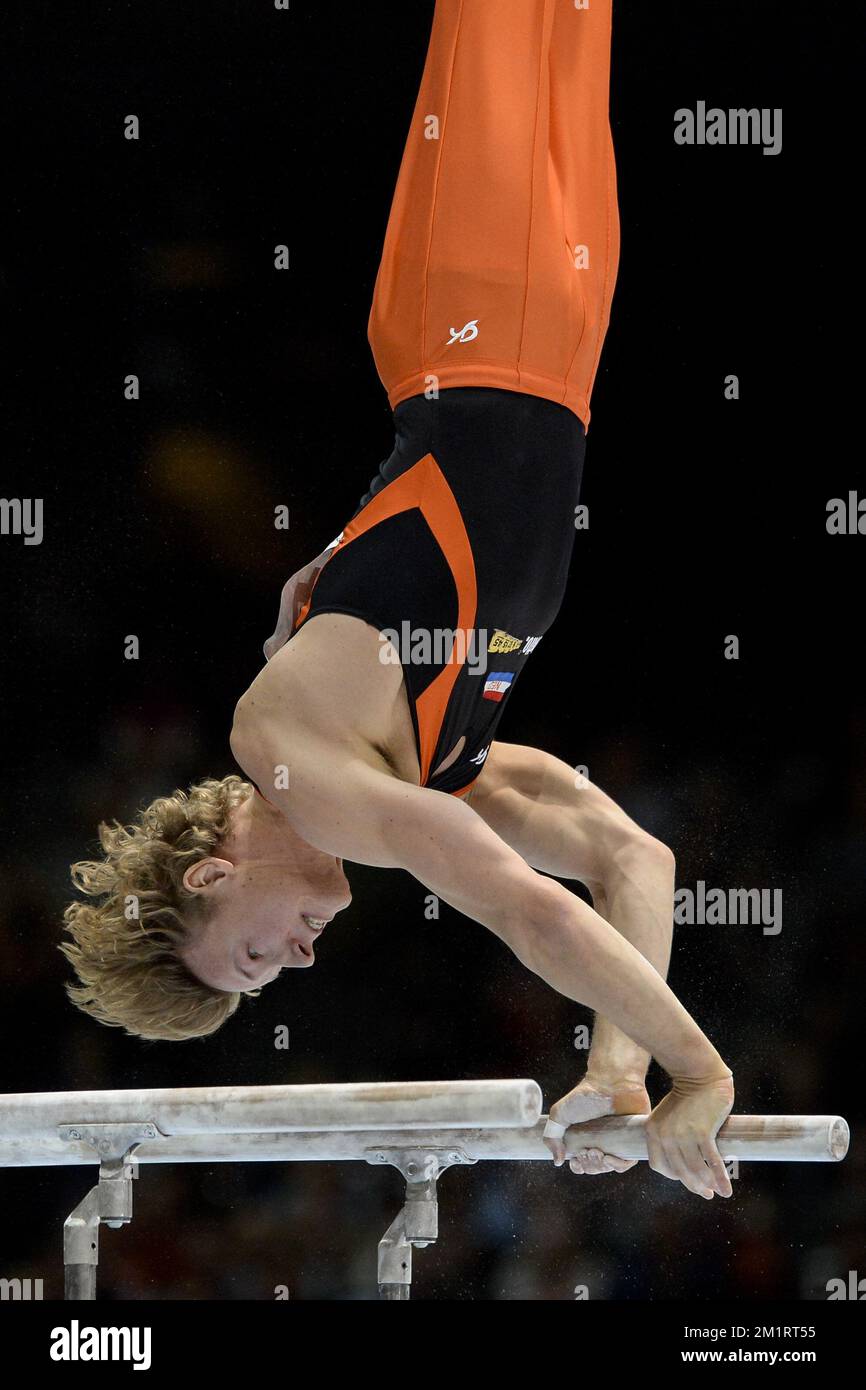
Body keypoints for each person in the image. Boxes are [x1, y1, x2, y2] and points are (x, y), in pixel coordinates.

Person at [63, 0, 734, 1200]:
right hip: (551, 343)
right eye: (272, 976)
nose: (299, 960)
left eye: (255, 955)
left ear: (213, 876)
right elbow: (633, 858)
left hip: (466, 318)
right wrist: (622, 1065)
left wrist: (704, 1071)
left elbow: (525, 912)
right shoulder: (419, 770)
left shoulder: (295, 767)